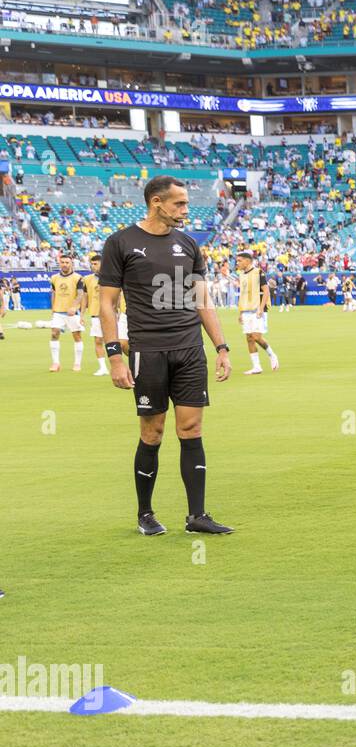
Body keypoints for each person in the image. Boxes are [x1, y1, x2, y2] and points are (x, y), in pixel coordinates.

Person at [97, 175, 235, 535]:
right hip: (148, 351)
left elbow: (203, 301)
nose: (185, 210)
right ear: (156, 202)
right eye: (179, 203)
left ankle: (197, 517)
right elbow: (107, 305)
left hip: (190, 349)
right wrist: (115, 356)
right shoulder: (121, 243)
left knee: (191, 428)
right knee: (153, 432)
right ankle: (146, 514)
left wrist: (221, 347)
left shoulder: (188, 244)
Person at [83, 252, 129, 376]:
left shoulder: (117, 276)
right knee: (99, 340)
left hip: (118, 313)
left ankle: (137, 361)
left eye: (95, 264)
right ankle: (103, 367)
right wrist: (81, 314)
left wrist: (118, 310)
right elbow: (85, 297)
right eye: (92, 264)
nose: (93, 266)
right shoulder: (87, 279)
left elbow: (118, 295)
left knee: (123, 343)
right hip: (96, 314)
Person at [236, 250, 279, 374]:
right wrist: (240, 312)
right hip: (246, 310)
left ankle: (272, 355)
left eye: (240, 260)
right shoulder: (242, 274)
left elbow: (266, 291)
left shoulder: (258, 272)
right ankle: (256, 366)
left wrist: (261, 307)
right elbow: (243, 294)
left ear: (248, 261)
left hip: (257, 309)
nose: (237, 263)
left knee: (256, 336)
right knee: (249, 338)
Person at [48, 253, 84, 372]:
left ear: (71, 263)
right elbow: (53, 292)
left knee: (77, 336)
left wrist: (74, 307)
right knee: (54, 334)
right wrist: (53, 308)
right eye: (62, 262)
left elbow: (80, 294)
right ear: (59, 263)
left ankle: (77, 363)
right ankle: (56, 363)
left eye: (67, 262)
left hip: (72, 313)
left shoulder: (78, 278)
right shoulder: (54, 278)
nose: (64, 264)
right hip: (58, 311)